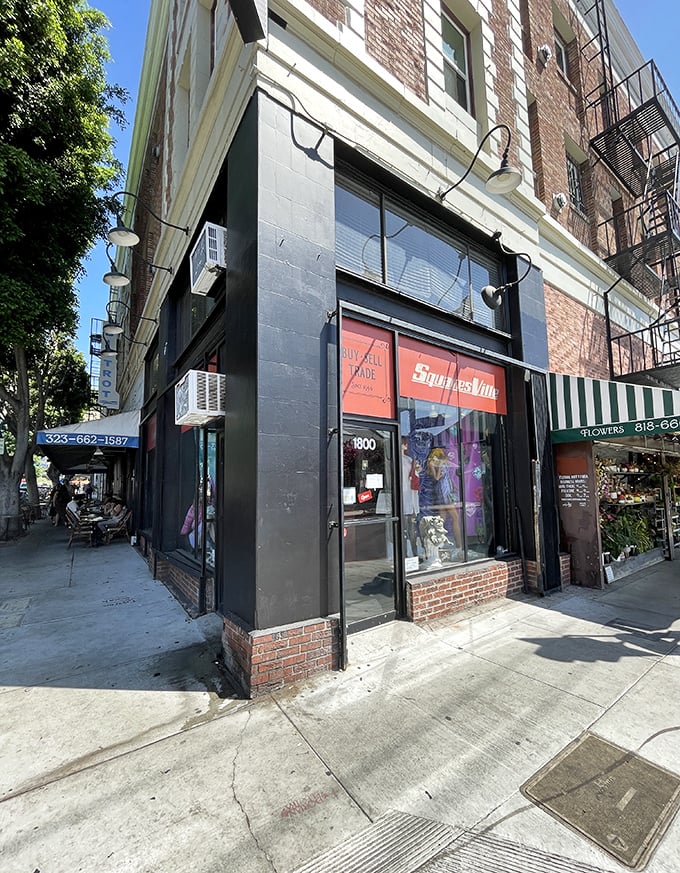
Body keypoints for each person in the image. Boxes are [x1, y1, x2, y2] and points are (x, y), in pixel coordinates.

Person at [418, 447, 462, 552]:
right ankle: (459, 545)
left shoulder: (442, 461)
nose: (443, 452)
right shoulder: (432, 463)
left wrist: (454, 486)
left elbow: (449, 476)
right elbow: (437, 478)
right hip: (442, 490)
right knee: (455, 518)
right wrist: (440, 467)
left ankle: (437, 544)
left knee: (442, 519)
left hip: (448, 489)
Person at [401, 437, 420, 557]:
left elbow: (415, 477)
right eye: (404, 443)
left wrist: (416, 470)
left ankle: (415, 554)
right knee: (403, 529)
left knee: (412, 529)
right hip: (403, 495)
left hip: (411, 494)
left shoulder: (409, 459)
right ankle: (404, 556)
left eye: (406, 443)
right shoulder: (396, 459)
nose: (406, 445)